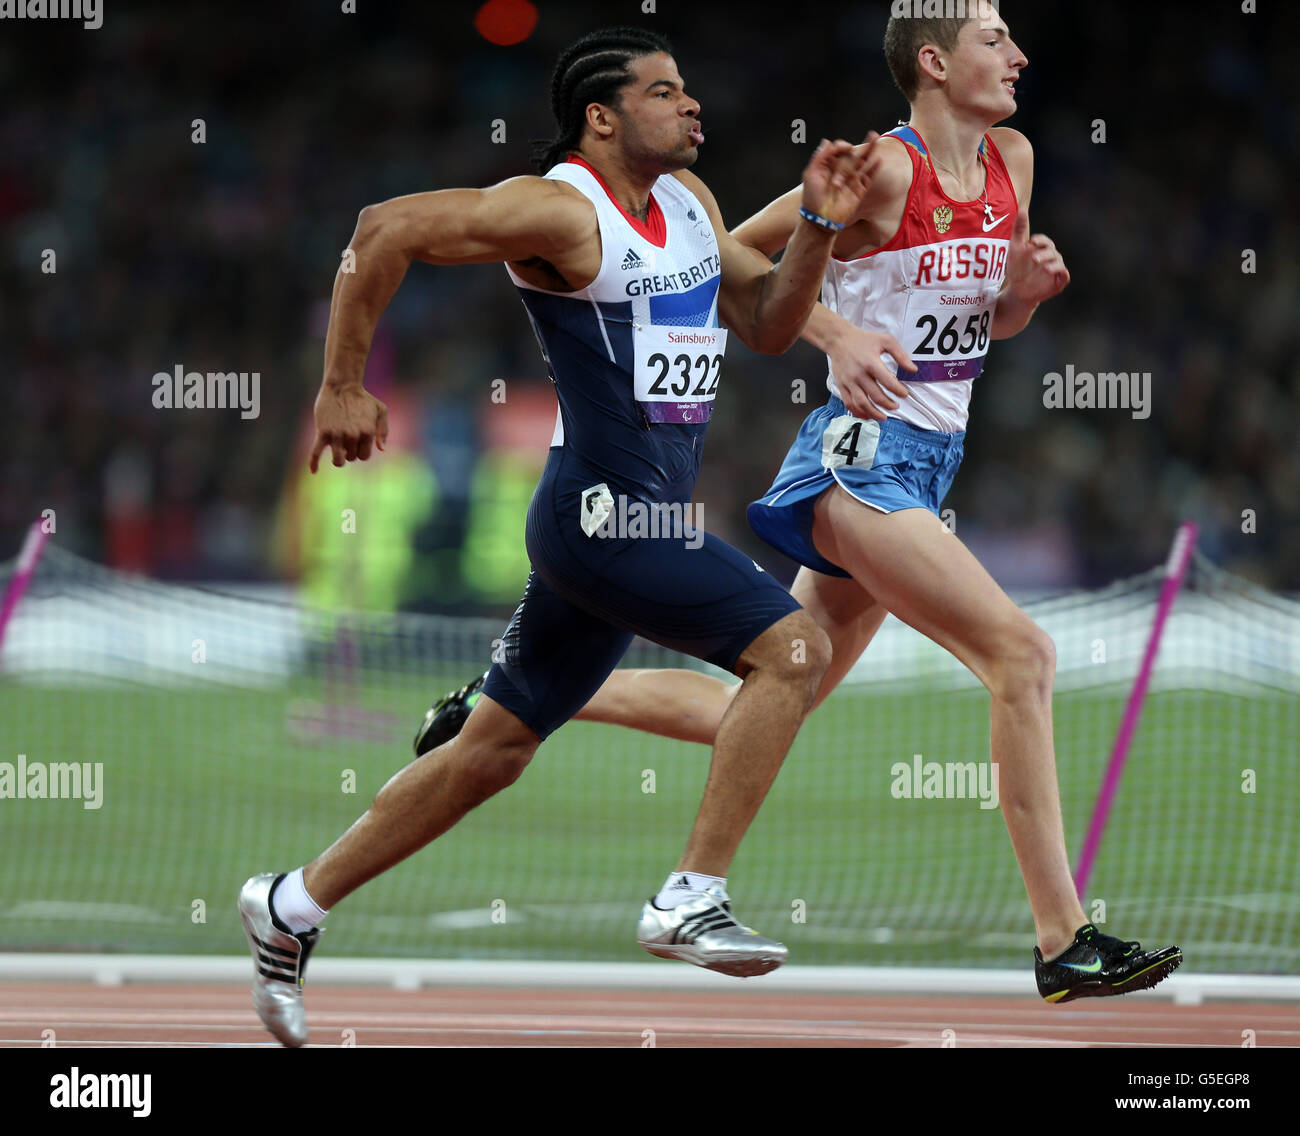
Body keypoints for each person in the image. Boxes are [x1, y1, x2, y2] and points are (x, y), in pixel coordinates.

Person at [417, 7, 1182, 1006]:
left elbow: (978, 320)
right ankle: (1061, 939)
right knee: (1020, 656)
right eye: (996, 39)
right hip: (856, 462)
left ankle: (511, 699)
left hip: (932, 457)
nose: (1021, 54)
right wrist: (830, 335)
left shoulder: (1015, 161)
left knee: (774, 701)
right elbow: (715, 259)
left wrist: (1026, 297)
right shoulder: (882, 169)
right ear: (935, 61)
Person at [240, 25, 882, 1047]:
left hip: (634, 519)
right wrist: (343, 383)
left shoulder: (687, 204)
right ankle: (689, 897)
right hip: (602, 516)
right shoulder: (559, 208)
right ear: (602, 115)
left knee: (489, 753)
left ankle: (290, 907)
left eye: (687, 88)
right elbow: (385, 225)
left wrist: (814, 226)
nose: (691, 106)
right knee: (794, 650)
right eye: (666, 92)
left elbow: (762, 321)